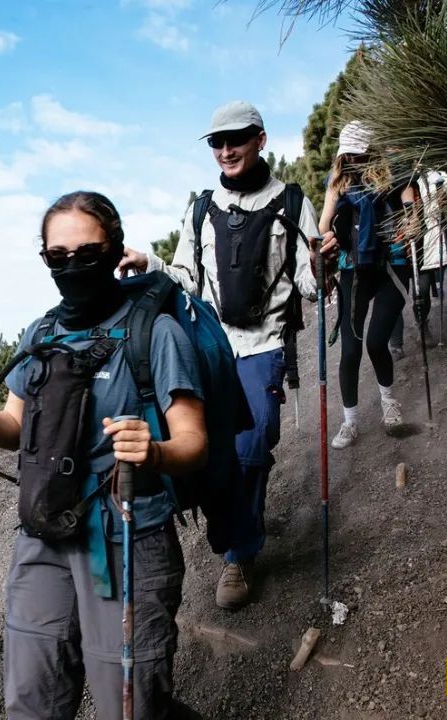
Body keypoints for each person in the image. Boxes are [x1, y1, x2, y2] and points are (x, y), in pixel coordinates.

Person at [0, 191, 208, 720]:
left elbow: (193, 442)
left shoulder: (155, 333)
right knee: (31, 695)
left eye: (86, 254)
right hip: (44, 530)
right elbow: (16, 427)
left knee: (129, 703)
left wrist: (154, 452)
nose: (72, 267)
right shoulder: (41, 333)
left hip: (126, 531)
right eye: (57, 258)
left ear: (114, 250)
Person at [119, 101, 335, 610]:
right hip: (213, 347)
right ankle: (235, 526)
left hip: (265, 345)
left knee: (253, 445)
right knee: (214, 452)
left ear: (260, 138)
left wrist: (321, 265)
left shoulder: (292, 201)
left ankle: (238, 553)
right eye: (217, 142)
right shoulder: (201, 207)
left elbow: (308, 284)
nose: (225, 149)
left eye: (236, 138)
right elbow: (187, 278)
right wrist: (149, 262)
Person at [320, 121, 417, 449]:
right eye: (349, 155)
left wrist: (411, 223)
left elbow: (411, 209)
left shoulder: (394, 175)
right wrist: (327, 240)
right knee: (350, 348)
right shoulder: (338, 182)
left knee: (377, 342)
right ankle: (350, 423)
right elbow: (323, 224)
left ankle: (389, 403)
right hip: (353, 270)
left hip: (392, 265)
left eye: (359, 154)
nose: (354, 160)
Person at [389, 169, 447, 355]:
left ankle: (422, 324)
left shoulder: (420, 181)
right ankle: (396, 342)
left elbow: (435, 209)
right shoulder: (381, 185)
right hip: (394, 249)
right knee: (394, 296)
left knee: (422, 291)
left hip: (421, 245)